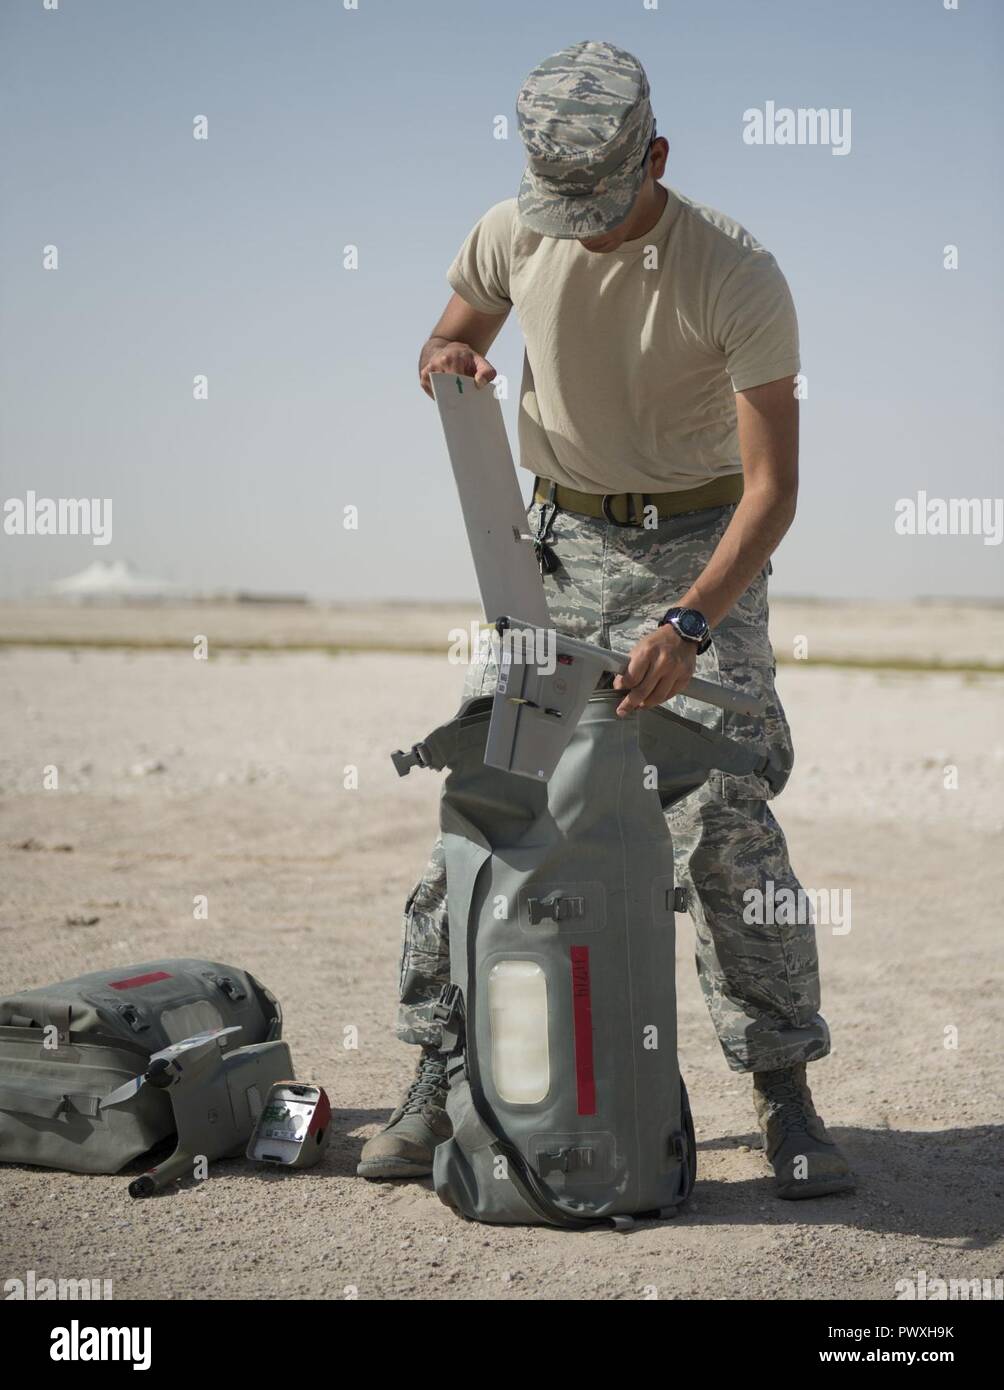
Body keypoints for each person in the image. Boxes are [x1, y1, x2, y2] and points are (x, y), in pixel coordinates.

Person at [359, 39, 854, 1200]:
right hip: (559, 543)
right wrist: (447, 364)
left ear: (657, 158)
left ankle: (784, 1093)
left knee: (722, 810)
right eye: (556, 206)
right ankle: (437, 1077)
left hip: (700, 546)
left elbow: (772, 491)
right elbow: (450, 337)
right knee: (499, 786)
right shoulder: (510, 228)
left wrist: (687, 624)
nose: (574, 227)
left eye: (598, 202)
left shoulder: (736, 270)